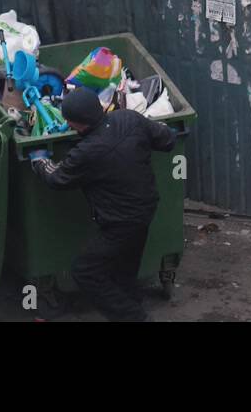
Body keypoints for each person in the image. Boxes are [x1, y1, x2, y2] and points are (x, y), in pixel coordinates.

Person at [31, 87, 176, 322]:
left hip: (119, 222)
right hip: (146, 208)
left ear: (78, 124)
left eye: (69, 121)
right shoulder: (128, 118)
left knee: (85, 271)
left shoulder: (86, 152)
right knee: (125, 269)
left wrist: (39, 162)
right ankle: (131, 302)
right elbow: (167, 140)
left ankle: (134, 317)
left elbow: (56, 178)